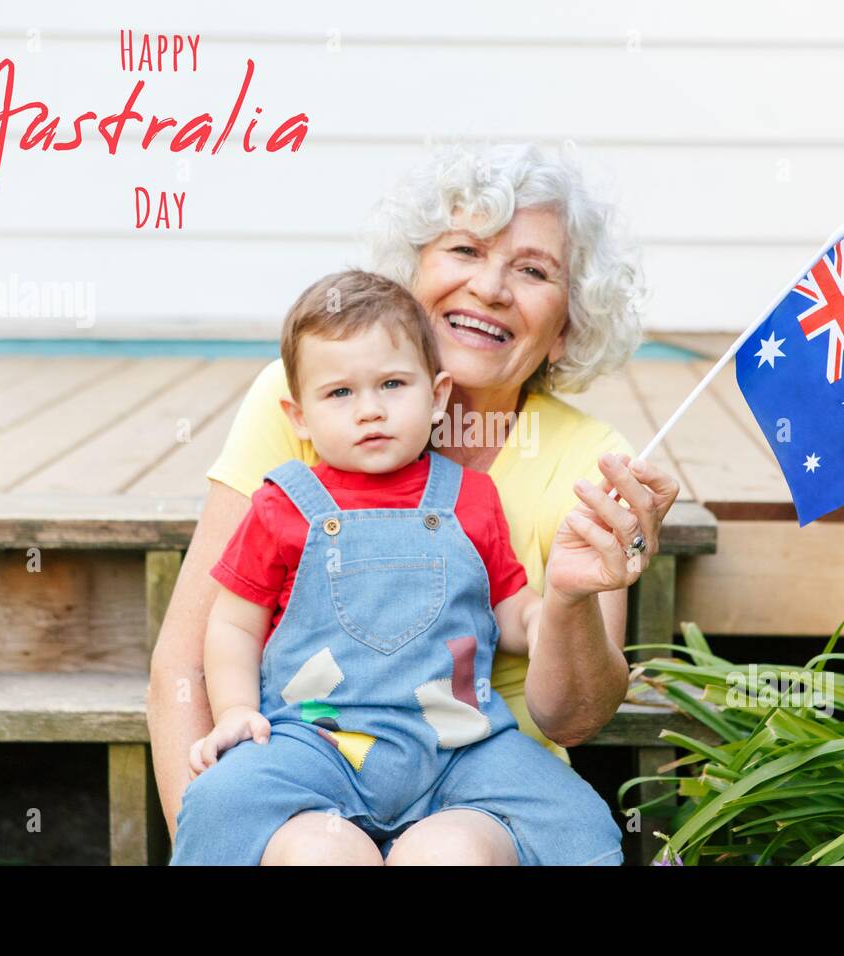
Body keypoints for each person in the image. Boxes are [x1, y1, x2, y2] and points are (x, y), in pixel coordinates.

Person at [148, 141, 681, 864]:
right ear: (411, 275)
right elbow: (193, 657)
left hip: (473, 774)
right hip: (312, 753)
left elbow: (575, 716)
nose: (492, 287)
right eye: (465, 249)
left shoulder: (583, 466)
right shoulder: (299, 398)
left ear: (565, 329)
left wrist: (570, 598)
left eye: (531, 270)